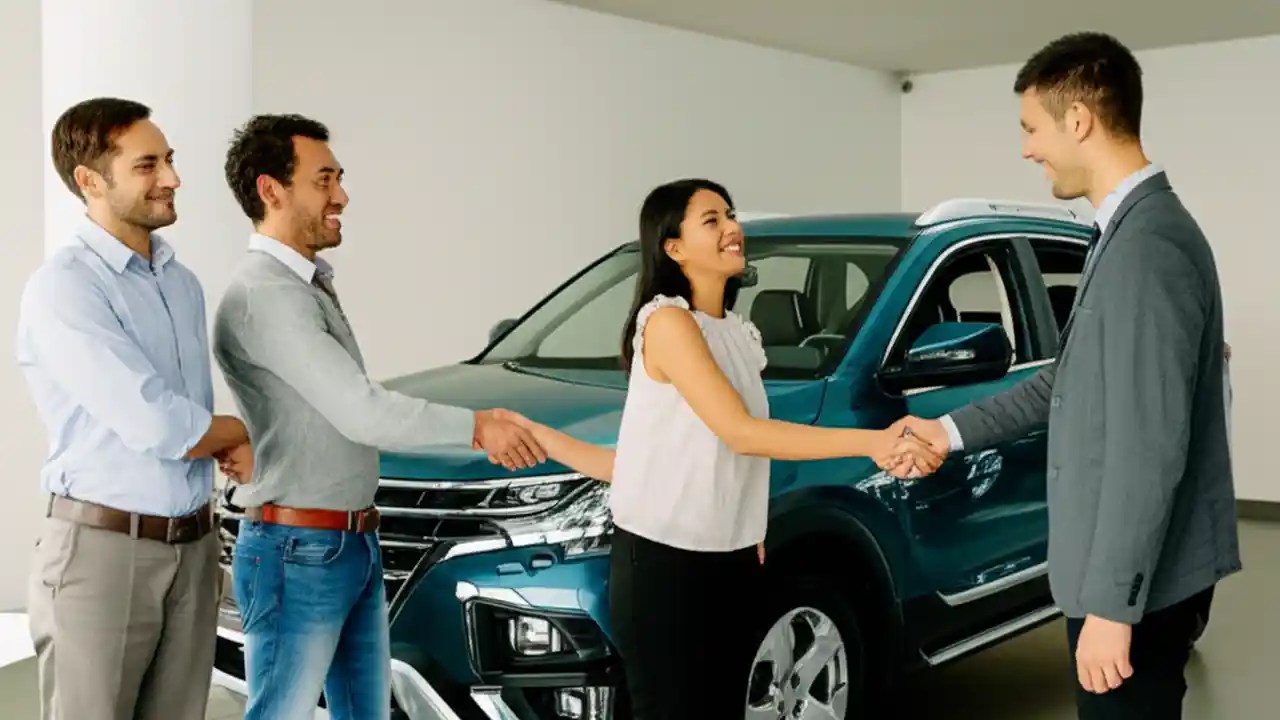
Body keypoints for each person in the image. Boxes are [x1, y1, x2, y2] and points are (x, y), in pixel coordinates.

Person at [491, 178, 944, 720]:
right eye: (712, 220)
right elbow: (740, 431)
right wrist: (874, 442)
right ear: (673, 247)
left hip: (731, 561)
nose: (733, 228)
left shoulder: (734, 332)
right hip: (665, 567)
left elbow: (651, 464)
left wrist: (746, 530)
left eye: (730, 215)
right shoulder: (667, 323)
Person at [890, 33, 1241, 718]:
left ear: (1078, 119)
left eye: (1032, 127)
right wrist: (947, 429)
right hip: (1132, 584)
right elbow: (1066, 384)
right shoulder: (1130, 232)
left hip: (1134, 593)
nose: (1027, 148)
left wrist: (1112, 606)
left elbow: (1148, 445)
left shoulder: (1147, 249)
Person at [212, 113, 546, 720]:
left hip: (348, 539)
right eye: (324, 179)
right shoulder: (268, 294)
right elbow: (361, 410)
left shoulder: (304, 286)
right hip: (299, 549)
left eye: (339, 178)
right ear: (271, 189)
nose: (341, 195)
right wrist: (476, 426)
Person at [17, 97, 252, 720]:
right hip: (102, 553)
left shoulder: (181, 282)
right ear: (89, 181)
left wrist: (216, 439)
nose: (172, 178)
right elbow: (157, 421)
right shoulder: (65, 286)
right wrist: (235, 433)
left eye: (169, 160)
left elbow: (182, 416)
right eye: (147, 164)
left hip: (196, 548)